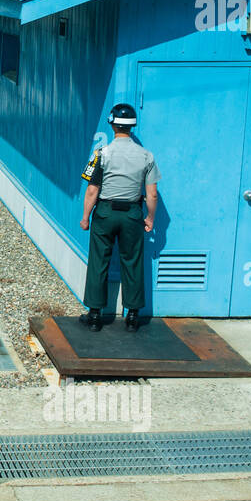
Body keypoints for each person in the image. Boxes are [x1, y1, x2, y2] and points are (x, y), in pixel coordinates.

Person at [79, 103, 160, 333]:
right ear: (132, 127)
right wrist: (150, 218)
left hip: (105, 213)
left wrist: (86, 217)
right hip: (132, 214)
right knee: (132, 262)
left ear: (113, 124)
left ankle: (95, 315)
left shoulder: (101, 154)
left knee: (98, 261)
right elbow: (151, 193)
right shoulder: (146, 156)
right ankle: (133, 316)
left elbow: (92, 190)